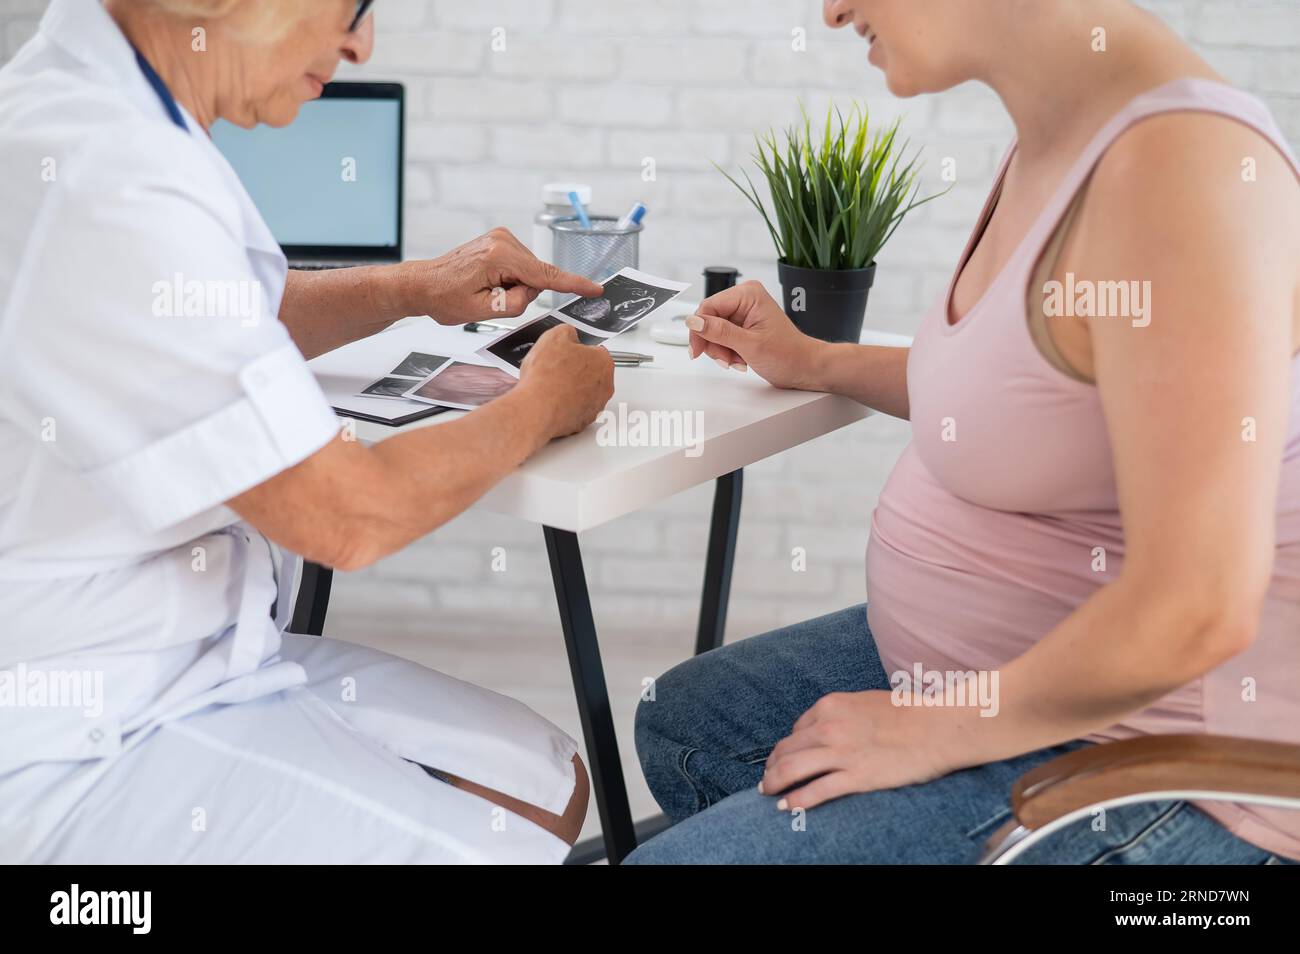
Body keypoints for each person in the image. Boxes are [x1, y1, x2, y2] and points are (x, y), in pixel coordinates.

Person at [628, 0, 1300, 864]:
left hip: (1162, 763)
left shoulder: (1181, 168)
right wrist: (814, 360)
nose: (831, 11)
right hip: (1023, 668)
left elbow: (1198, 611)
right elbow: (1016, 394)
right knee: (690, 723)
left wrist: (933, 730)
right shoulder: (1061, 134)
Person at [0, 0, 614, 863]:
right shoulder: (104, 176)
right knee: (508, 851)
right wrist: (542, 404)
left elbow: (224, 312)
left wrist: (416, 287)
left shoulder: (106, 113)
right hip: (89, 730)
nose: (363, 40)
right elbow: (347, 516)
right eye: (352, 5)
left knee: (546, 782)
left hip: (204, 651)